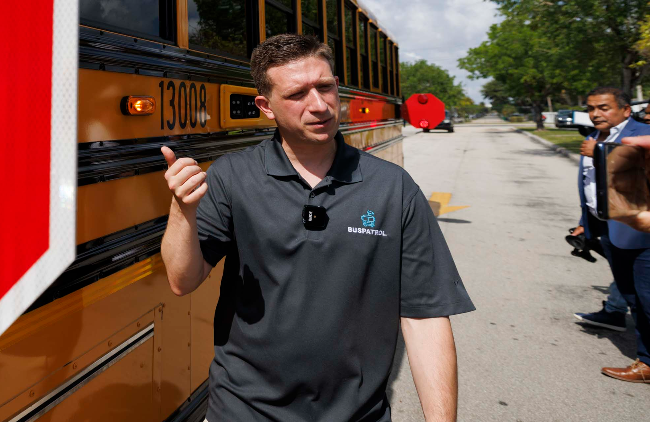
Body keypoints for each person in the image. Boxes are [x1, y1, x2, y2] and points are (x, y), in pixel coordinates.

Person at [159, 34, 474, 422]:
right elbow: (182, 279)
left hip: (357, 415)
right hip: (242, 411)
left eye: (325, 87)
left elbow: (424, 317)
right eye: (297, 94)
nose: (320, 105)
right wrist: (182, 212)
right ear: (266, 106)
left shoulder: (394, 187)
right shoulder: (231, 176)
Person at [574, 87, 650, 411]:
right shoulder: (595, 134)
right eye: (592, 108)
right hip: (612, 232)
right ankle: (649, 365)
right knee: (635, 302)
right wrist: (586, 221)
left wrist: (599, 151)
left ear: (625, 110)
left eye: (604, 107)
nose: (596, 114)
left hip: (649, 236)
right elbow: (590, 185)